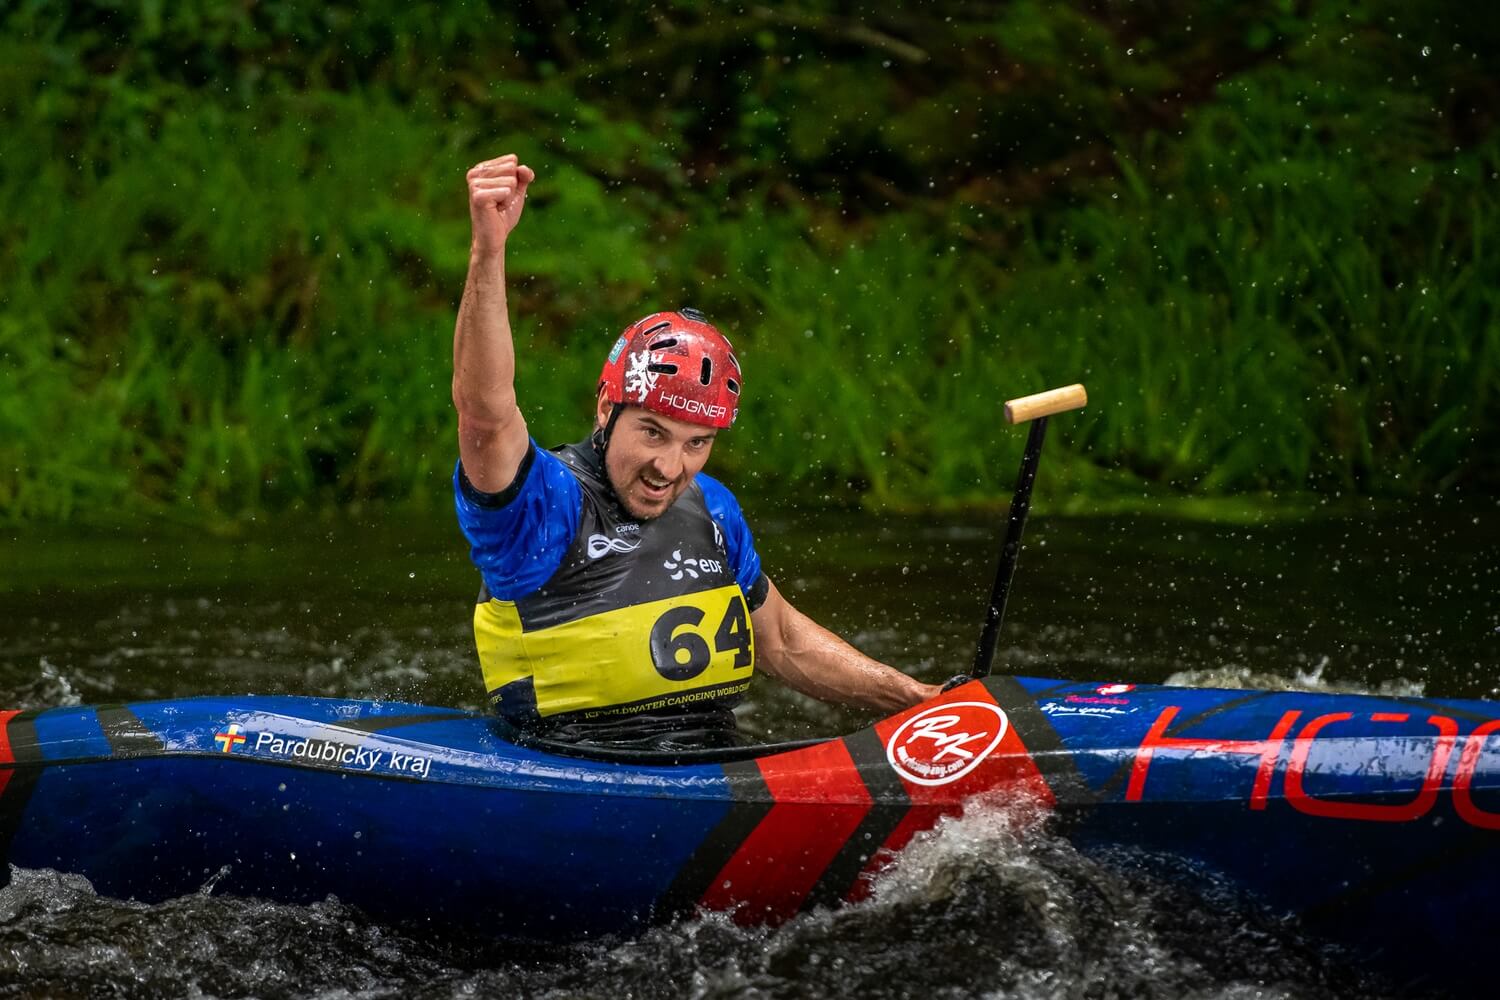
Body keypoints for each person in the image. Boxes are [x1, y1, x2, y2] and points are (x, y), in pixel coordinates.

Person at [451, 154, 940, 749]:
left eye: (696, 443)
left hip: (712, 764)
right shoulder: (548, 505)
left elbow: (781, 640)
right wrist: (489, 250)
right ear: (607, 410)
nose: (670, 468)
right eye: (653, 432)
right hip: (580, 770)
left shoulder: (712, 508)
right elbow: (485, 411)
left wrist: (918, 700)